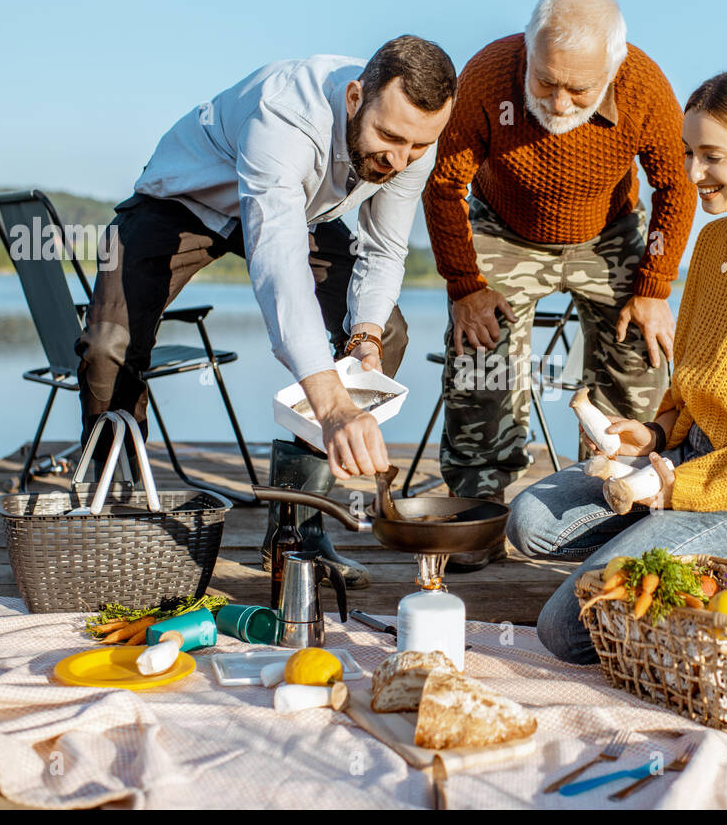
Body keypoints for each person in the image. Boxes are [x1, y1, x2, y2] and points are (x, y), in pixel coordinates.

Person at [507, 68, 727, 664]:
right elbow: (690, 381)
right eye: (688, 153)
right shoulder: (712, 243)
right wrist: (650, 433)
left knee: (564, 631)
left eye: (712, 157)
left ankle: (719, 556)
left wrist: (684, 489)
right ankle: (664, 542)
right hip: (678, 458)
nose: (693, 174)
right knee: (529, 520)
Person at [75, 36, 457, 589]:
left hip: (298, 212)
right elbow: (277, 262)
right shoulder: (284, 113)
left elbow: (385, 249)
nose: (399, 160)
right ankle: (113, 514)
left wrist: (364, 339)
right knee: (109, 347)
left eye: (417, 146)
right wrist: (330, 404)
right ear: (354, 98)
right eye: (389, 137)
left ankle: (296, 536)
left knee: (388, 331)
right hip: (183, 201)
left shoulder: (415, 141)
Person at [422, 0, 697, 570]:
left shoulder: (645, 85)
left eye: (580, 88)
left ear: (614, 68)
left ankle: (615, 502)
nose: (561, 102)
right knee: (482, 351)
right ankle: (477, 505)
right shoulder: (489, 75)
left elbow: (676, 184)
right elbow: (445, 184)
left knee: (641, 355)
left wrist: (653, 288)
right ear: (528, 48)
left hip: (608, 230)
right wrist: (465, 286)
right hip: (505, 226)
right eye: (546, 82)